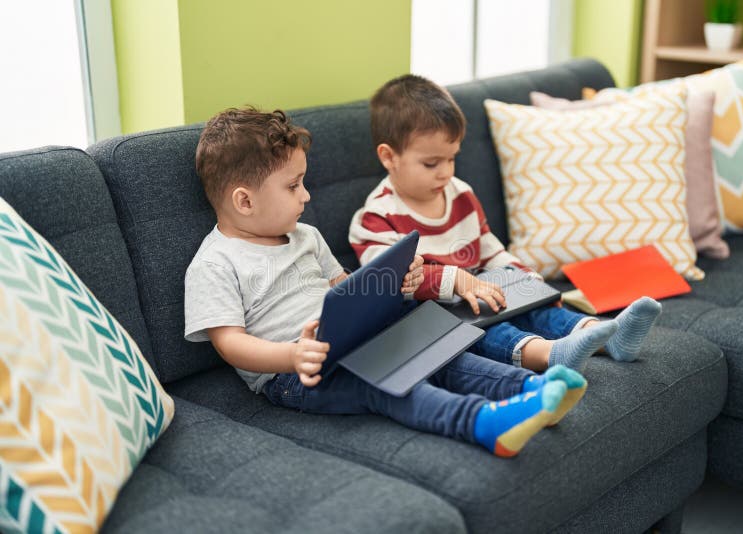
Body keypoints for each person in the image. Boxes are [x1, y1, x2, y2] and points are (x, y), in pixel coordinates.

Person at [183, 107, 587, 457]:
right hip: (295, 374)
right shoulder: (214, 264)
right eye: (293, 186)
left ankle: (532, 389)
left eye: (303, 182)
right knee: (387, 384)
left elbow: (346, 287)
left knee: (438, 346)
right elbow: (229, 343)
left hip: (355, 338)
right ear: (244, 201)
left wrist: (391, 286)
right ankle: (481, 424)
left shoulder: (306, 236)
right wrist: (292, 357)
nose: (306, 196)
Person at [349, 74, 662, 372]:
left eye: (452, 158)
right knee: (489, 331)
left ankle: (606, 336)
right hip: (434, 318)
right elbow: (388, 282)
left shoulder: (460, 194)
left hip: (483, 293)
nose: (445, 172)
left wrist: (520, 273)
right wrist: (454, 278)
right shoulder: (375, 218)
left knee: (537, 306)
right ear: (389, 157)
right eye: (431, 163)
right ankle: (552, 355)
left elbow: (488, 247)